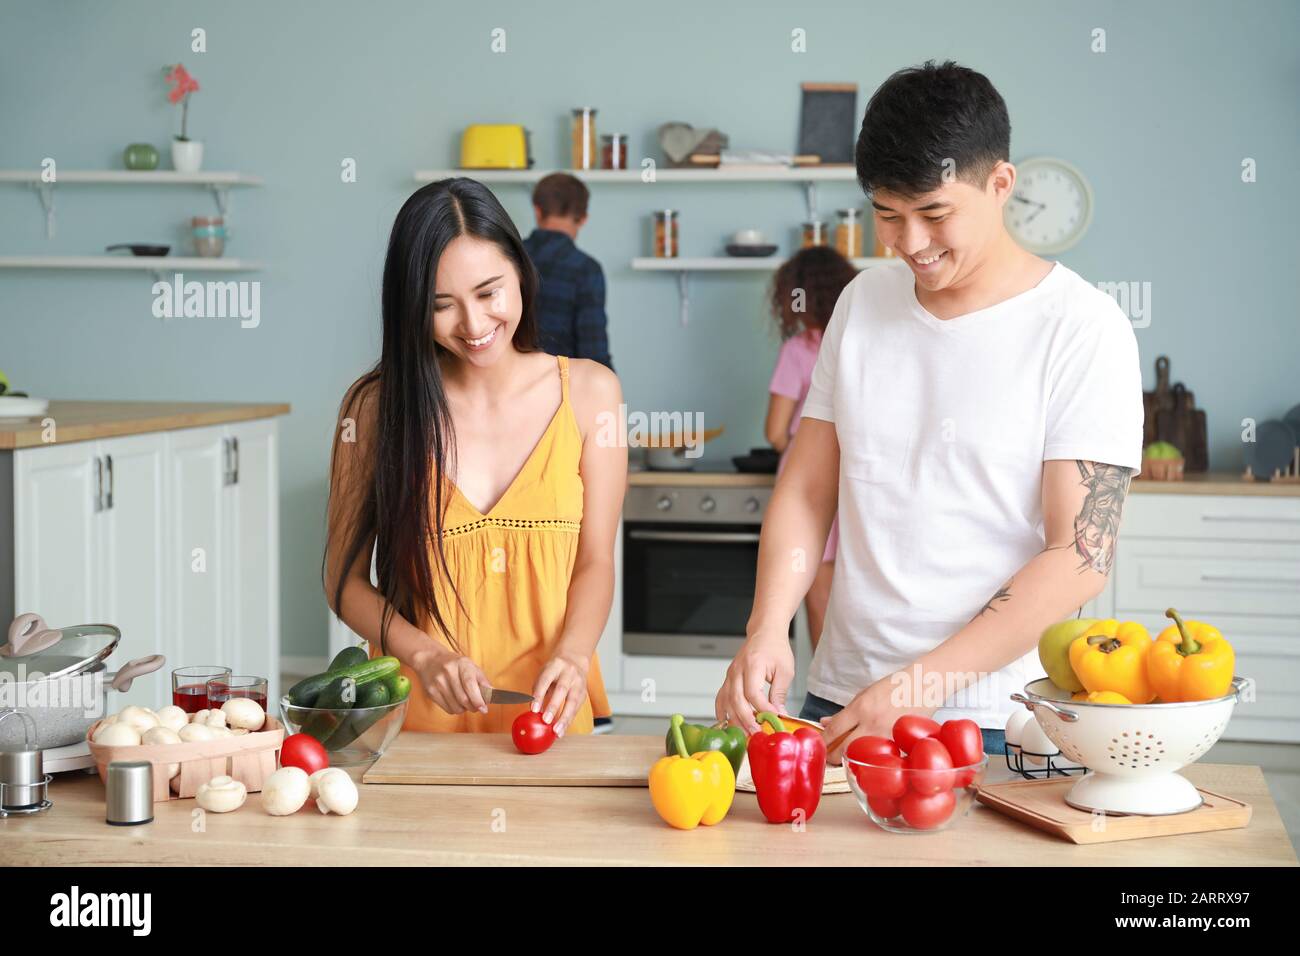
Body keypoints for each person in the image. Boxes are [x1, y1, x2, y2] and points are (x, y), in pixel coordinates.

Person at [714, 61, 1143, 761]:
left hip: (996, 720)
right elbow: (806, 488)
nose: (910, 242)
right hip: (842, 700)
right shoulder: (860, 304)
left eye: (935, 213)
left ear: (1001, 184)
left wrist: (915, 690)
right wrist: (767, 627)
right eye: (887, 215)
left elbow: (1081, 554)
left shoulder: (1082, 327)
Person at [325, 177, 626, 738]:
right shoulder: (373, 409)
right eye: (442, 305)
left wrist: (575, 654)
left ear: (521, 273)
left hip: (549, 722)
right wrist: (424, 655)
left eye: (489, 293)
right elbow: (342, 581)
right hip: (418, 728)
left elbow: (596, 563)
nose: (474, 325)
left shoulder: (591, 393)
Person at [764, 247, 858, 650]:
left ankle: (824, 701)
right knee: (856, 595)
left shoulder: (799, 349)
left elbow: (774, 431)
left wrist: (798, 450)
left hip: (808, 480)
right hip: (854, 475)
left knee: (818, 594)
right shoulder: (863, 337)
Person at [522, 172, 613, 369]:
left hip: (506, 386)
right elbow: (593, 351)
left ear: (537, 211)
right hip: (562, 388)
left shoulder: (507, 256)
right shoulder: (586, 270)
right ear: (583, 219)